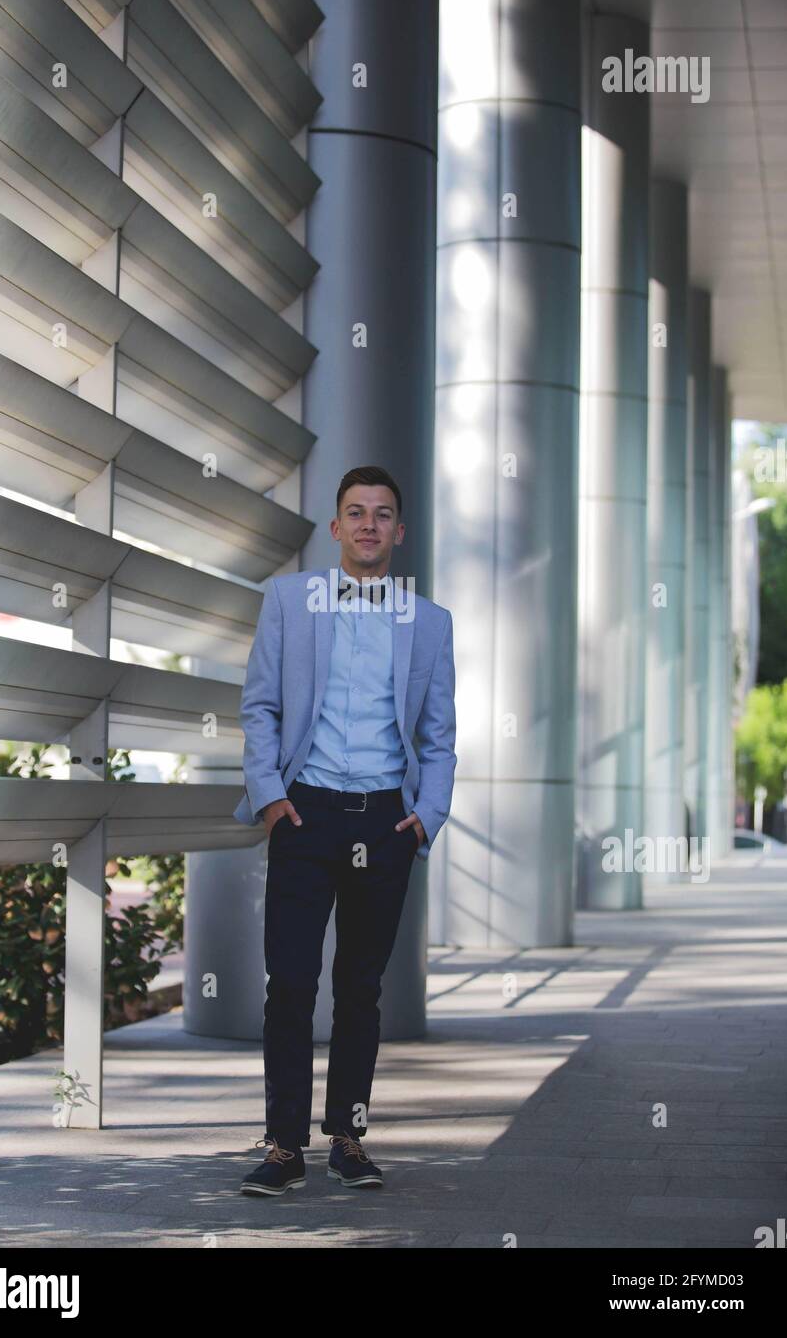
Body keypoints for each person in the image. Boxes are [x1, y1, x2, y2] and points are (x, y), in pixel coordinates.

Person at [233, 465, 457, 1196]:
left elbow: (439, 735)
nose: (368, 525)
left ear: (399, 531)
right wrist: (269, 796)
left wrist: (426, 818)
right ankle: (283, 1147)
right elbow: (260, 706)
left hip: (387, 819)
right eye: (355, 513)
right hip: (305, 813)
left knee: (360, 987)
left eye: (382, 514)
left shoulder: (429, 623)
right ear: (335, 528)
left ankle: (348, 1138)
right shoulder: (289, 602)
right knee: (290, 983)